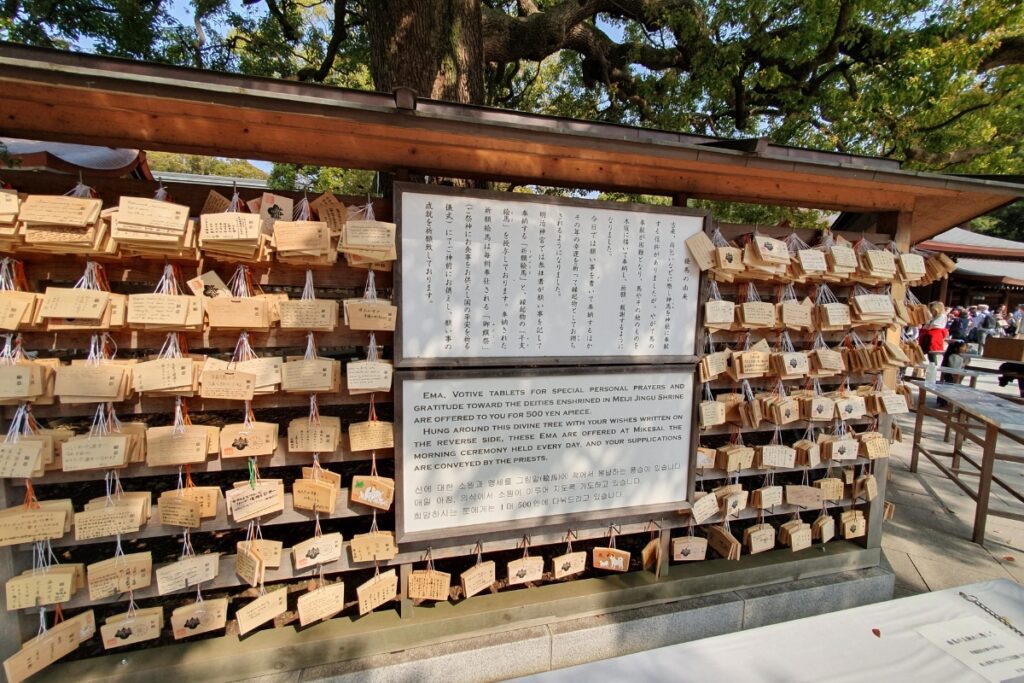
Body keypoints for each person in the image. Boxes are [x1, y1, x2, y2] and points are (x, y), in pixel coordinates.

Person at [937, 339, 968, 407]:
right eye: (963, 347)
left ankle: (944, 402)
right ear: (956, 348)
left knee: (947, 389)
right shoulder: (954, 356)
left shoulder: (955, 356)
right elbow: (955, 367)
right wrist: (964, 363)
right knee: (949, 389)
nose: (965, 349)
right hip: (952, 376)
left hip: (952, 376)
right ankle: (946, 403)